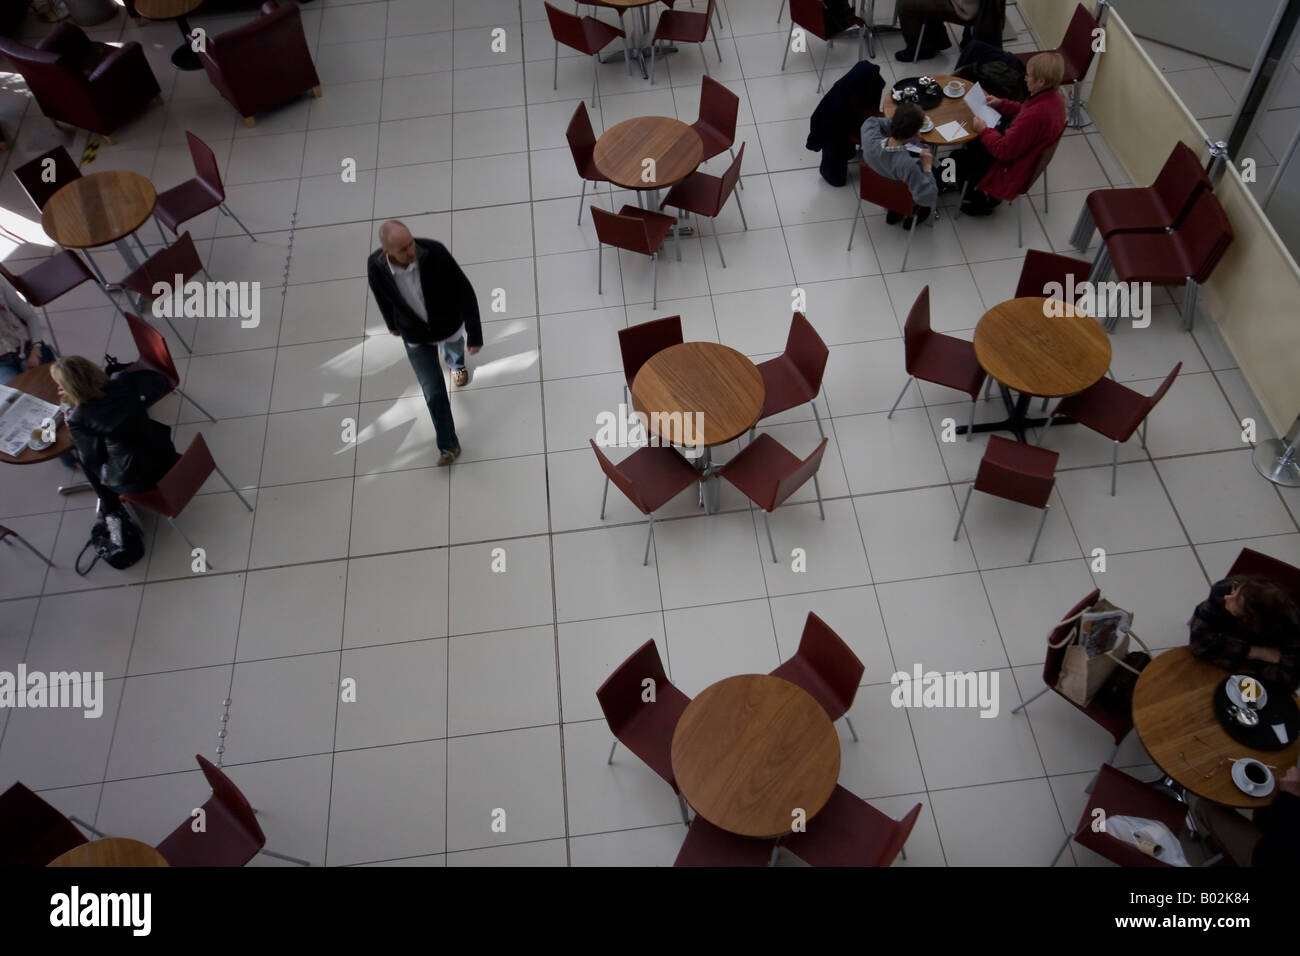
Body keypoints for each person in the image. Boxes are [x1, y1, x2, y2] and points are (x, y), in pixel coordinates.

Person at [367, 220, 483, 467]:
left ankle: (457, 365)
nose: (412, 252)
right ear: (387, 253)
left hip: (446, 325)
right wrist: (391, 323)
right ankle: (448, 445)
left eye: (412, 243)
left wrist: (475, 334)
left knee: (453, 350)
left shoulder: (434, 252)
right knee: (434, 392)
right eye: (403, 249)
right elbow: (381, 295)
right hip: (415, 335)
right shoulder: (376, 266)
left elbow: (464, 290)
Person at [50, 356, 179, 516]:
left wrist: (72, 427)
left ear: (69, 388)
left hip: (139, 478)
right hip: (162, 449)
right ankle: (109, 505)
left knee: (85, 462)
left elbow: (92, 459)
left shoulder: (78, 417)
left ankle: (110, 506)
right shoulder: (122, 379)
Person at [952, 51, 1066, 216]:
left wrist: (984, 130)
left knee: (960, 156)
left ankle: (977, 200)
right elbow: (1025, 109)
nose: (1025, 79)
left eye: (1028, 76)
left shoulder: (1033, 116)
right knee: (975, 144)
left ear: (1041, 81)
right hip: (1028, 154)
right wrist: (1001, 104)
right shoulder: (1055, 99)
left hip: (1013, 165)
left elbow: (1004, 151)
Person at [1187, 574, 1300, 689]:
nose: (1228, 598)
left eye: (1237, 602)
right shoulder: (1225, 589)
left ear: (1253, 618)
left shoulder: (1292, 628)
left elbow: (1289, 680)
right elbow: (1199, 642)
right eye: (1236, 591)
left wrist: (1229, 649)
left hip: (1246, 665)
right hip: (1242, 643)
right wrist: (1258, 653)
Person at [1188, 766, 1300, 866]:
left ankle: (1232, 854)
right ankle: (1235, 848)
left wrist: (1290, 797)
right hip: (1281, 838)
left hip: (1271, 857)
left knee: (1206, 806)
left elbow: (1278, 852)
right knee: (1268, 800)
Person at [806, 59, 885, 187]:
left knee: (839, 153)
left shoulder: (850, 87)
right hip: (835, 130)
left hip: (847, 123)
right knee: (835, 160)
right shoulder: (840, 98)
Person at [860, 102, 937, 229]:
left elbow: (873, 121)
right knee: (947, 165)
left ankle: (894, 213)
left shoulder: (869, 134)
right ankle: (914, 216)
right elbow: (928, 198)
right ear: (916, 132)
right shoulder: (909, 165)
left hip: (878, 189)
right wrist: (927, 167)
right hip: (904, 194)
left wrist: (901, 126)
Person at [896, 0, 1005, 62]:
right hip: (974, 5)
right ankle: (936, 40)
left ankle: (921, 50)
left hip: (966, 7)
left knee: (905, 4)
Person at [0, 275, 53, 385]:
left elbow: (30, 316)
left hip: (29, 346)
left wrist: (36, 349)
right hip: (2, 363)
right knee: (16, 398)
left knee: (57, 388)